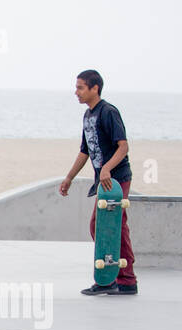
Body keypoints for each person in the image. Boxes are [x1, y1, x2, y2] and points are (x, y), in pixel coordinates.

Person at [58, 69, 137, 296]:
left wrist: (107, 168)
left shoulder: (108, 112)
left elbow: (123, 146)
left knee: (109, 226)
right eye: (76, 87)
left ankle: (123, 279)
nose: (76, 92)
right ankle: (114, 278)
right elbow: (85, 151)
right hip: (104, 181)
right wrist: (69, 177)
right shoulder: (88, 116)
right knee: (105, 226)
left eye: (81, 87)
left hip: (117, 179)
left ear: (95, 88)